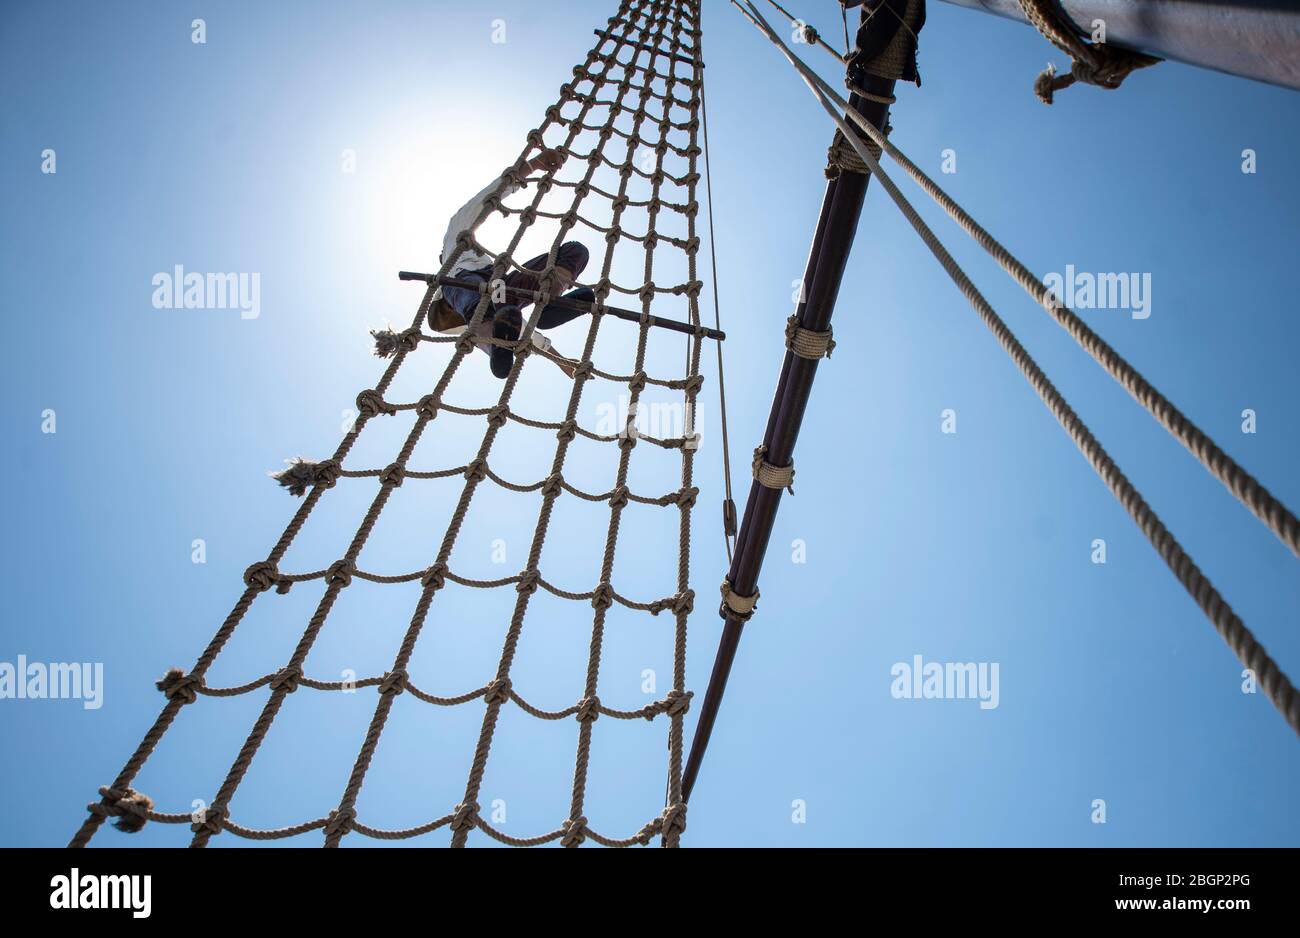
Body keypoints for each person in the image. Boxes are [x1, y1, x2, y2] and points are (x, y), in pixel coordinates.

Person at [432, 148, 596, 378]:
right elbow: (484, 200)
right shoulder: (454, 247)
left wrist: (562, 362)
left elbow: (523, 328)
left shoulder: (493, 272)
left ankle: (550, 302)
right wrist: (534, 164)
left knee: (574, 251)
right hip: (461, 286)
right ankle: (497, 349)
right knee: (480, 307)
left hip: (498, 286)